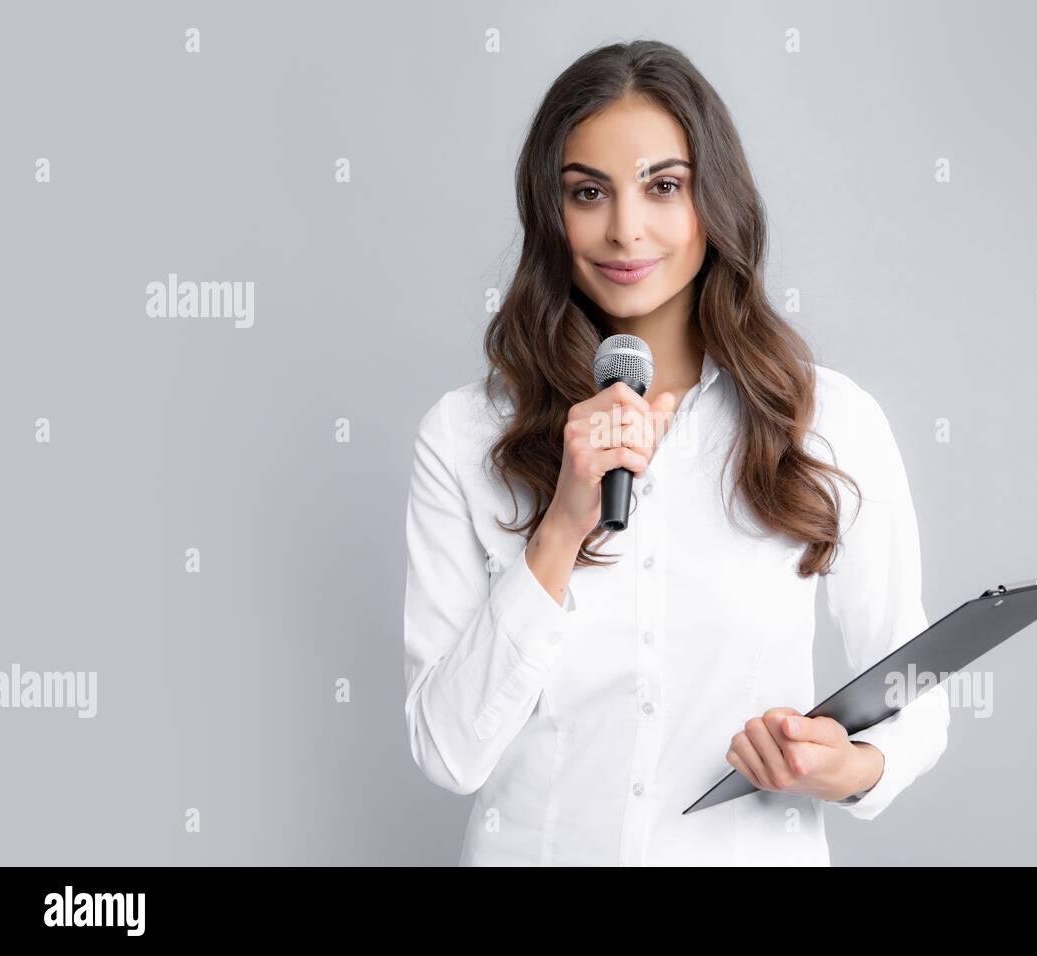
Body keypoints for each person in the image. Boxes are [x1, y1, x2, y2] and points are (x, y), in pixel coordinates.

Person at [403, 39, 949, 866]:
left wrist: (849, 767)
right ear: (552, 213)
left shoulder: (829, 421)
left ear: (714, 198)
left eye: (664, 186)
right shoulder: (463, 436)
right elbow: (448, 753)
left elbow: (914, 695)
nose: (626, 230)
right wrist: (562, 526)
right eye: (589, 193)